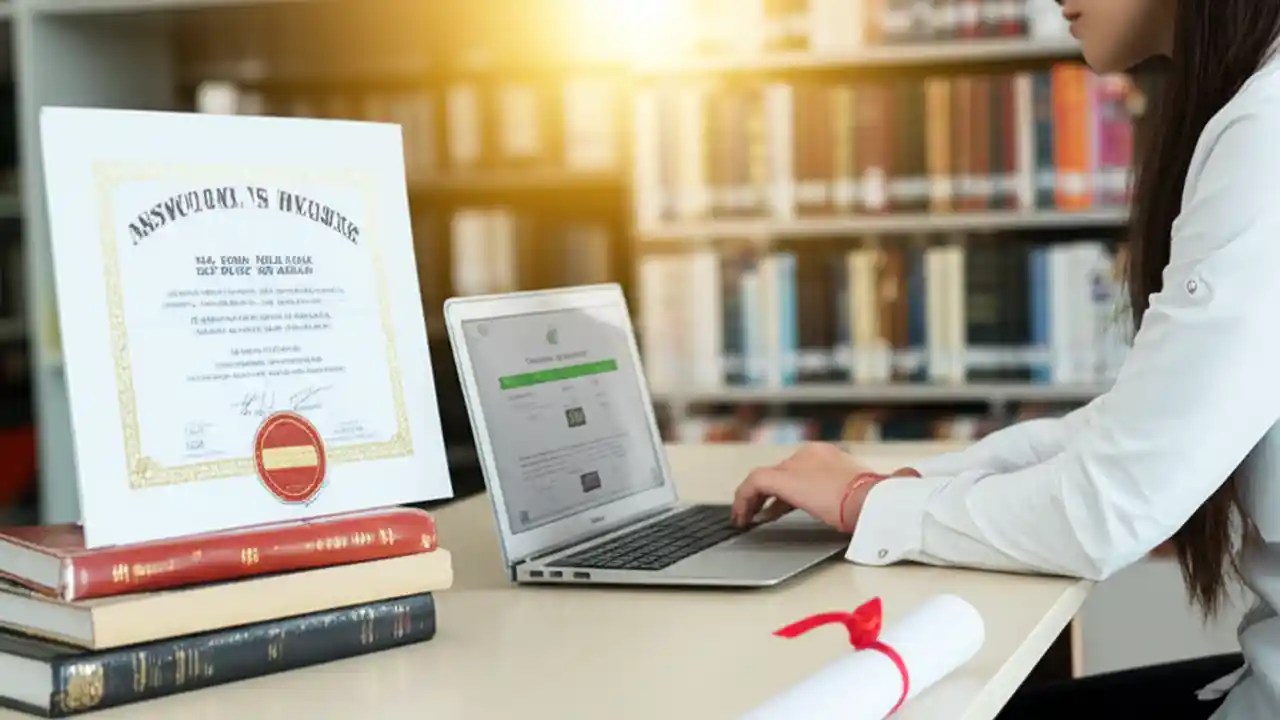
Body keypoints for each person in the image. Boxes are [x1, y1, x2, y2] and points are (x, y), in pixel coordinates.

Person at [728, 0, 1280, 717]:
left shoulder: (1266, 137)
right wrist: (890, 484)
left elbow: (1107, 509)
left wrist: (872, 504)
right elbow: (1132, 431)